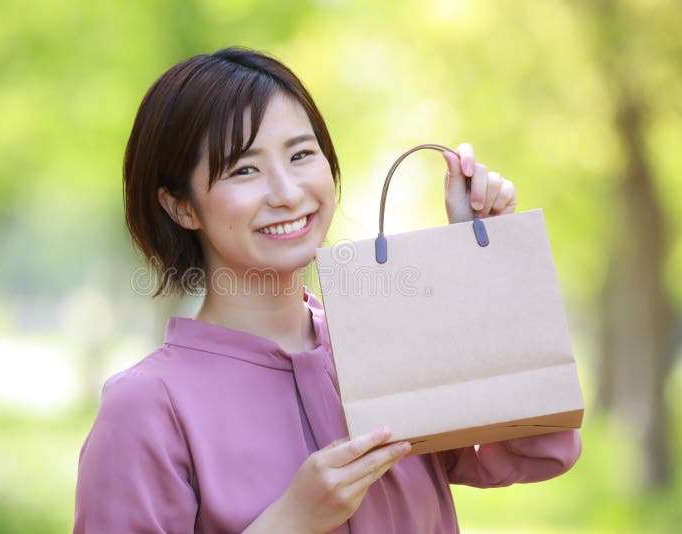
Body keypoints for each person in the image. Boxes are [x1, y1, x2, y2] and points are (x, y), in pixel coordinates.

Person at [73, 47, 582, 533]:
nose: (287, 192)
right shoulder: (147, 407)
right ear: (181, 206)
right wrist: (290, 522)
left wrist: (486, 261)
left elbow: (532, 448)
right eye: (245, 169)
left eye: (300, 154)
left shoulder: (387, 343)